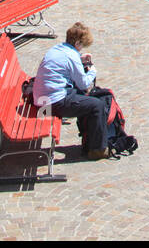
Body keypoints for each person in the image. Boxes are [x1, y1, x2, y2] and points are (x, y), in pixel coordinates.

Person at [33, 22, 110, 159]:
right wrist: (92, 71)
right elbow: (84, 84)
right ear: (78, 43)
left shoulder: (57, 49)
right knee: (97, 105)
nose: (81, 49)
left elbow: (64, 64)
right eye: (82, 45)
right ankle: (97, 150)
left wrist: (79, 59)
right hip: (53, 103)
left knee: (85, 99)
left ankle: (90, 139)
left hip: (42, 97)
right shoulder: (71, 56)